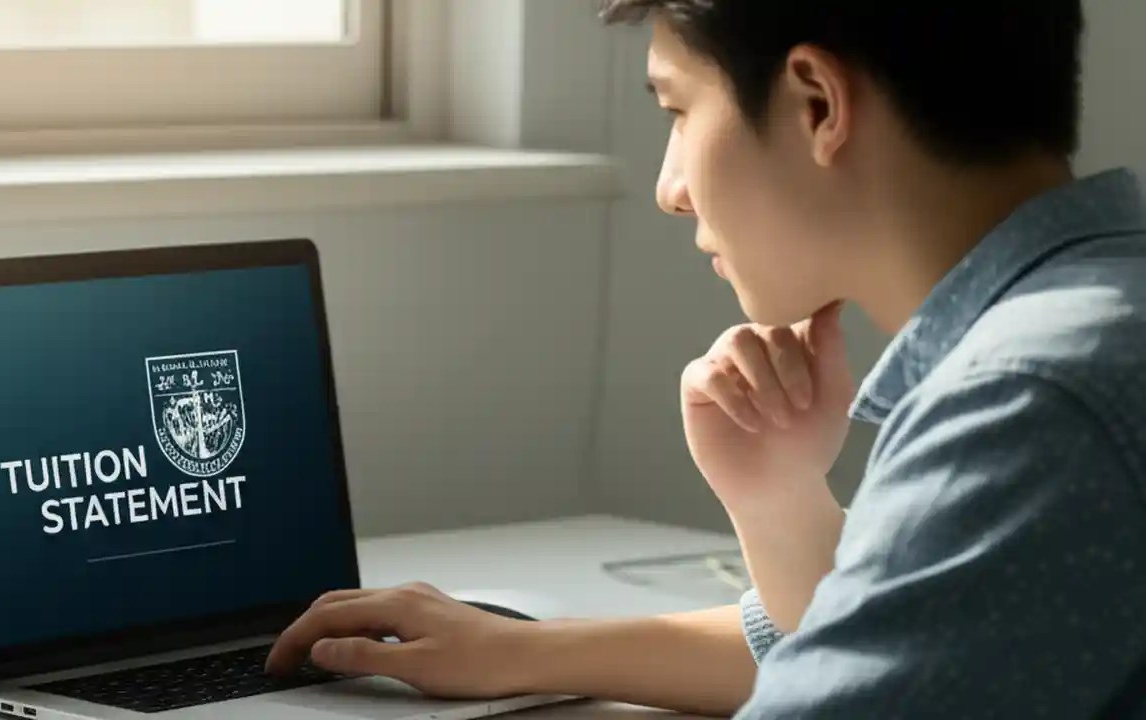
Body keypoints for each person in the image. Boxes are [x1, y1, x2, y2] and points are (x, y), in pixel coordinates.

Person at [267, 0, 1146, 716]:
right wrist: (777, 510)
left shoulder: (1032, 403)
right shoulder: (1100, 315)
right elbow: (899, 642)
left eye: (679, 110)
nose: (670, 189)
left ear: (817, 104)